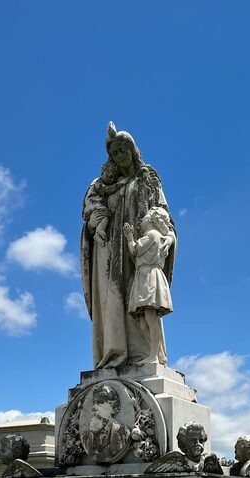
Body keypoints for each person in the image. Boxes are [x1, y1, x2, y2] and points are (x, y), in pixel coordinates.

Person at [81, 123, 176, 368]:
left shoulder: (147, 178)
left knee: (144, 304)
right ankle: (115, 353)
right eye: (114, 153)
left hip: (140, 250)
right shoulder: (101, 184)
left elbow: (161, 211)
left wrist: (164, 234)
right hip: (110, 250)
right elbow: (90, 206)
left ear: (133, 150)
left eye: (123, 150)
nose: (119, 156)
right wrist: (99, 222)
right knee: (113, 300)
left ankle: (149, 355)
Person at [123, 208, 174, 365]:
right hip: (144, 275)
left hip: (149, 276)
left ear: (152, 221)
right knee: (145, 320)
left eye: (144, 218)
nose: (141, 221)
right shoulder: (155, 236)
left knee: (151, 318)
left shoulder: (152, 235)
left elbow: (134, 250)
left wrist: (129, 235)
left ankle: (155, 356)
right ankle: (157, 353)